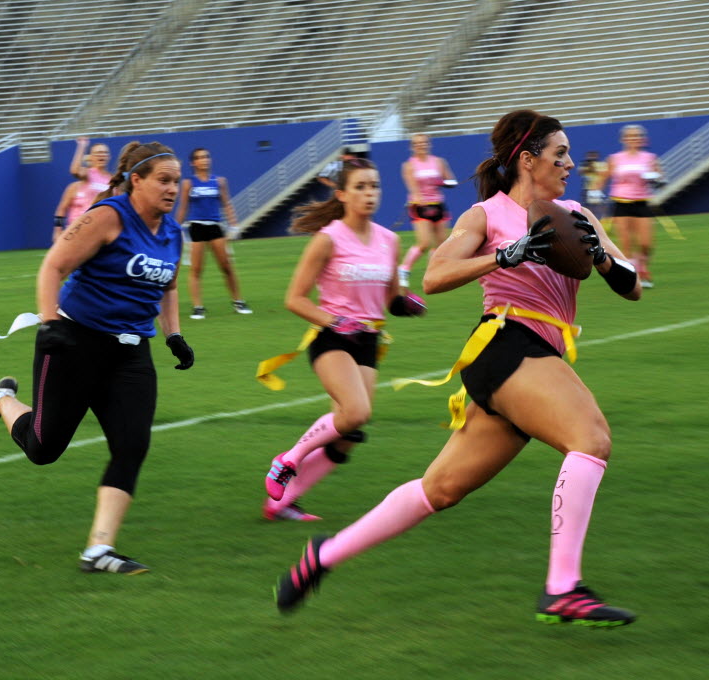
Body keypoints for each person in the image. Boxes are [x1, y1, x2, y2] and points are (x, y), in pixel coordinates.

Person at [273, 109, 643, 628]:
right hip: (505, 345)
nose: (569, 165)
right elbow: (435, 275)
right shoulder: (485, 216)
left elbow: (633, 287)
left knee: (439, 490)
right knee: (592, 438)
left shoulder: (577, 213)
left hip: (532, 360)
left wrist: (603, 259)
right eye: (559, 155)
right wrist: (505, 255)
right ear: (528, 158)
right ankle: (563, 587)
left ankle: (323, 556)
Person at [0, 141, 195, 574]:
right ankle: (1, 398)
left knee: (132, 445)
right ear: (137, 181)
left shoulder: (172, 232)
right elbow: (52, 267)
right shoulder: (107, 216)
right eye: (163, 180)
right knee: (43, 448)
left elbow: (168, 287)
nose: (172, 188)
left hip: (131, 353)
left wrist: (175, 336)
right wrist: (51, 325)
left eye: (175, 180)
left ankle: (98, 551)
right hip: (76, 342)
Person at [259, 157, 425, 522]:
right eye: (361, 187)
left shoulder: (390, 240)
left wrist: (406, 305)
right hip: (331, 338)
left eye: (374, 186)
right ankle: (287, 460)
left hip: (367, 341)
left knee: (348, 433)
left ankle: (281, 503)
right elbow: (295, 298)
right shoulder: (328, 239)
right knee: (356, 411)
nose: (369, 194)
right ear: (342, 195)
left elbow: (391, 299)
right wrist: (335, 320)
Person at [174, 148, 252, 318]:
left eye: (207, 156)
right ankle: (198, 307)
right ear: (193, 163)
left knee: (226, 266)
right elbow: (183, 206)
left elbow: (227, 204)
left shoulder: (219, 181)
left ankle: (238, 301)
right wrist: (175, 227)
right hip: (196, 227)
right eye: (200, 158)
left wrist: (234, 225)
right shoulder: (189, 183)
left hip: (215, 226)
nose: (204, 160)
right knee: (196, 269)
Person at [599, 124, 664, 288]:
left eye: (637, 136)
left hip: (642, 203)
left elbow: (661, 180)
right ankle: (635, 277)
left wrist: (655, 178)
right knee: (626, 244)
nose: (634, 139)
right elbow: (603, 177)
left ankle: (642, 266)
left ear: (643, 139)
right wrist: (595, 192)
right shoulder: (615, 158)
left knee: (646, 244)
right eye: (630, 136)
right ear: (623, 139)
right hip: (621, 203)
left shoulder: (650, 158)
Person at [397, 133, 457, 289]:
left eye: (423, 142)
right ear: (412, 147)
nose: (421, 145)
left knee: (441, 244)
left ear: (429, 144)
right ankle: (403, 269)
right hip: (420, 206)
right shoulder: (409, 165)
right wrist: (420, 201)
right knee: (424, 243)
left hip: (438, 205)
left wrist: (442, 182)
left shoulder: (439, 162)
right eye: (417, 143)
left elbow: (451, 181)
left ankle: (432, 271)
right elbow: (413, 188)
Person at [52, 179, 100, 244]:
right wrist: (57, 231)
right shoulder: (74, 187)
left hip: (93, 231)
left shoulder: (100, 188)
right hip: (73, 231)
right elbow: (61, 210)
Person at [578, 150, 608, 222]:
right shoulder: (584, 165)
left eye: (593, 155)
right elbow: (581, 172)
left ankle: (602, 222)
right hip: (587, 190)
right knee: (587, 208)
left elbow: (604, 174)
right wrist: (590, 167)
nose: (591, 157)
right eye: (590, 156)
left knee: (601, 207)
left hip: (598, 190)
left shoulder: (601, 165)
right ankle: (588, 221)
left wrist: (593, 167)